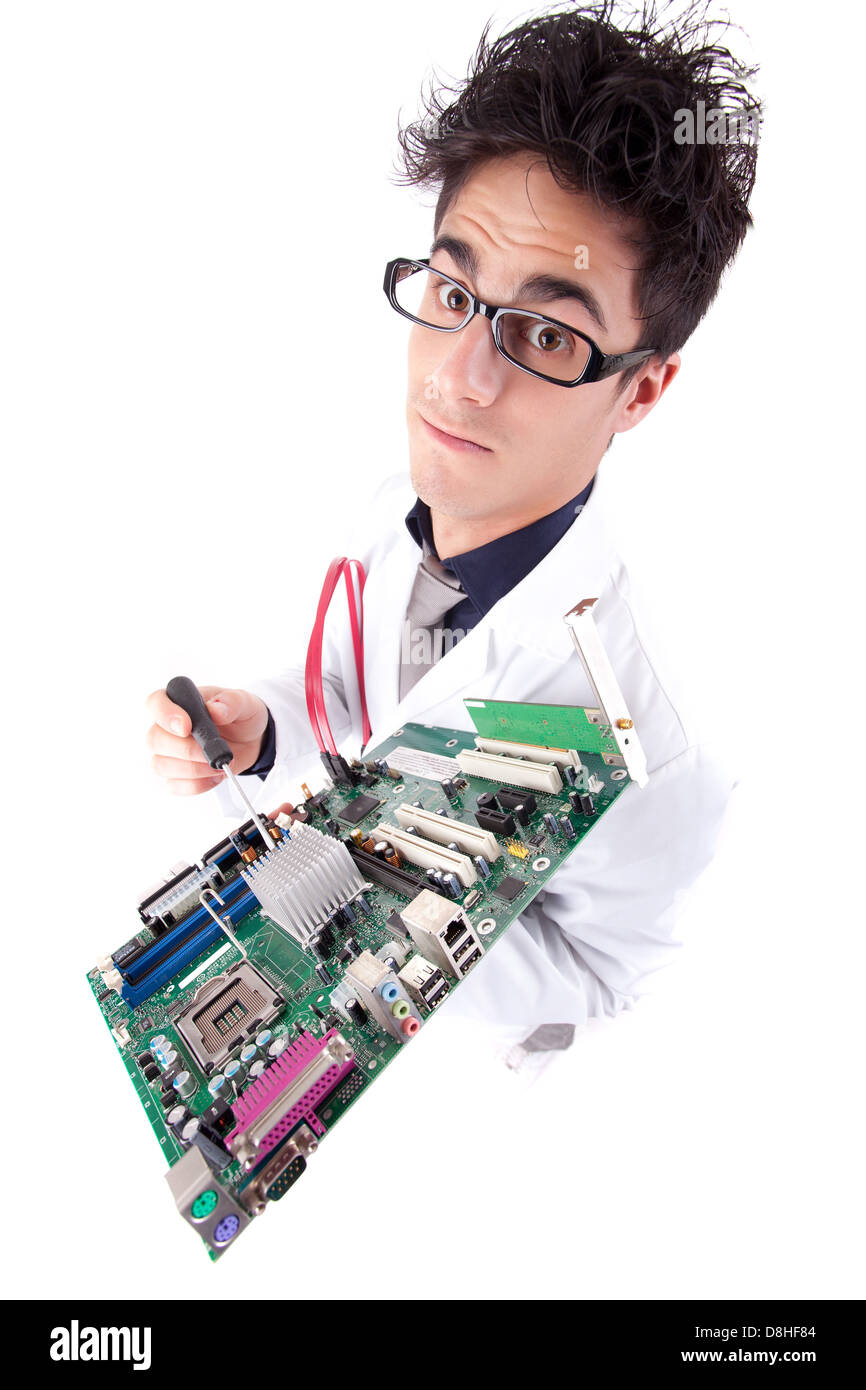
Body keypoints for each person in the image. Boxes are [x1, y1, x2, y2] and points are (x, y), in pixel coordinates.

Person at [145, 2, 760, 1069]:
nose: (458, 378)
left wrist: (405, 931)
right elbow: (353, 694)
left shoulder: (663, 748)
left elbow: (607, 987)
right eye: (453, 290)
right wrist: (267, 731)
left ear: (642, 391)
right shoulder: (397, 511)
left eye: (545, 333)